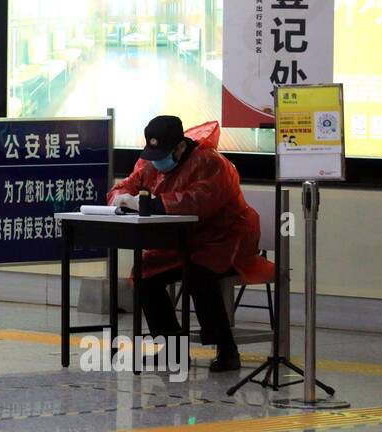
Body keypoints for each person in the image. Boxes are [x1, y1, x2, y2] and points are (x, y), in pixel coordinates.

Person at [107, 115, 274, 373]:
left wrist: (145, 204)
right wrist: (120, 199)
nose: (157, 160)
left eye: (162, 153)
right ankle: (172, 348)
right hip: (181, 243)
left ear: (180, 147)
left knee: (198, 274)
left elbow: (197, 202)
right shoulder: (151, 162)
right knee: (144, 275)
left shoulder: (211, 164)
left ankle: (227, 350)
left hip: (224, 242)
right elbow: (125, 186)